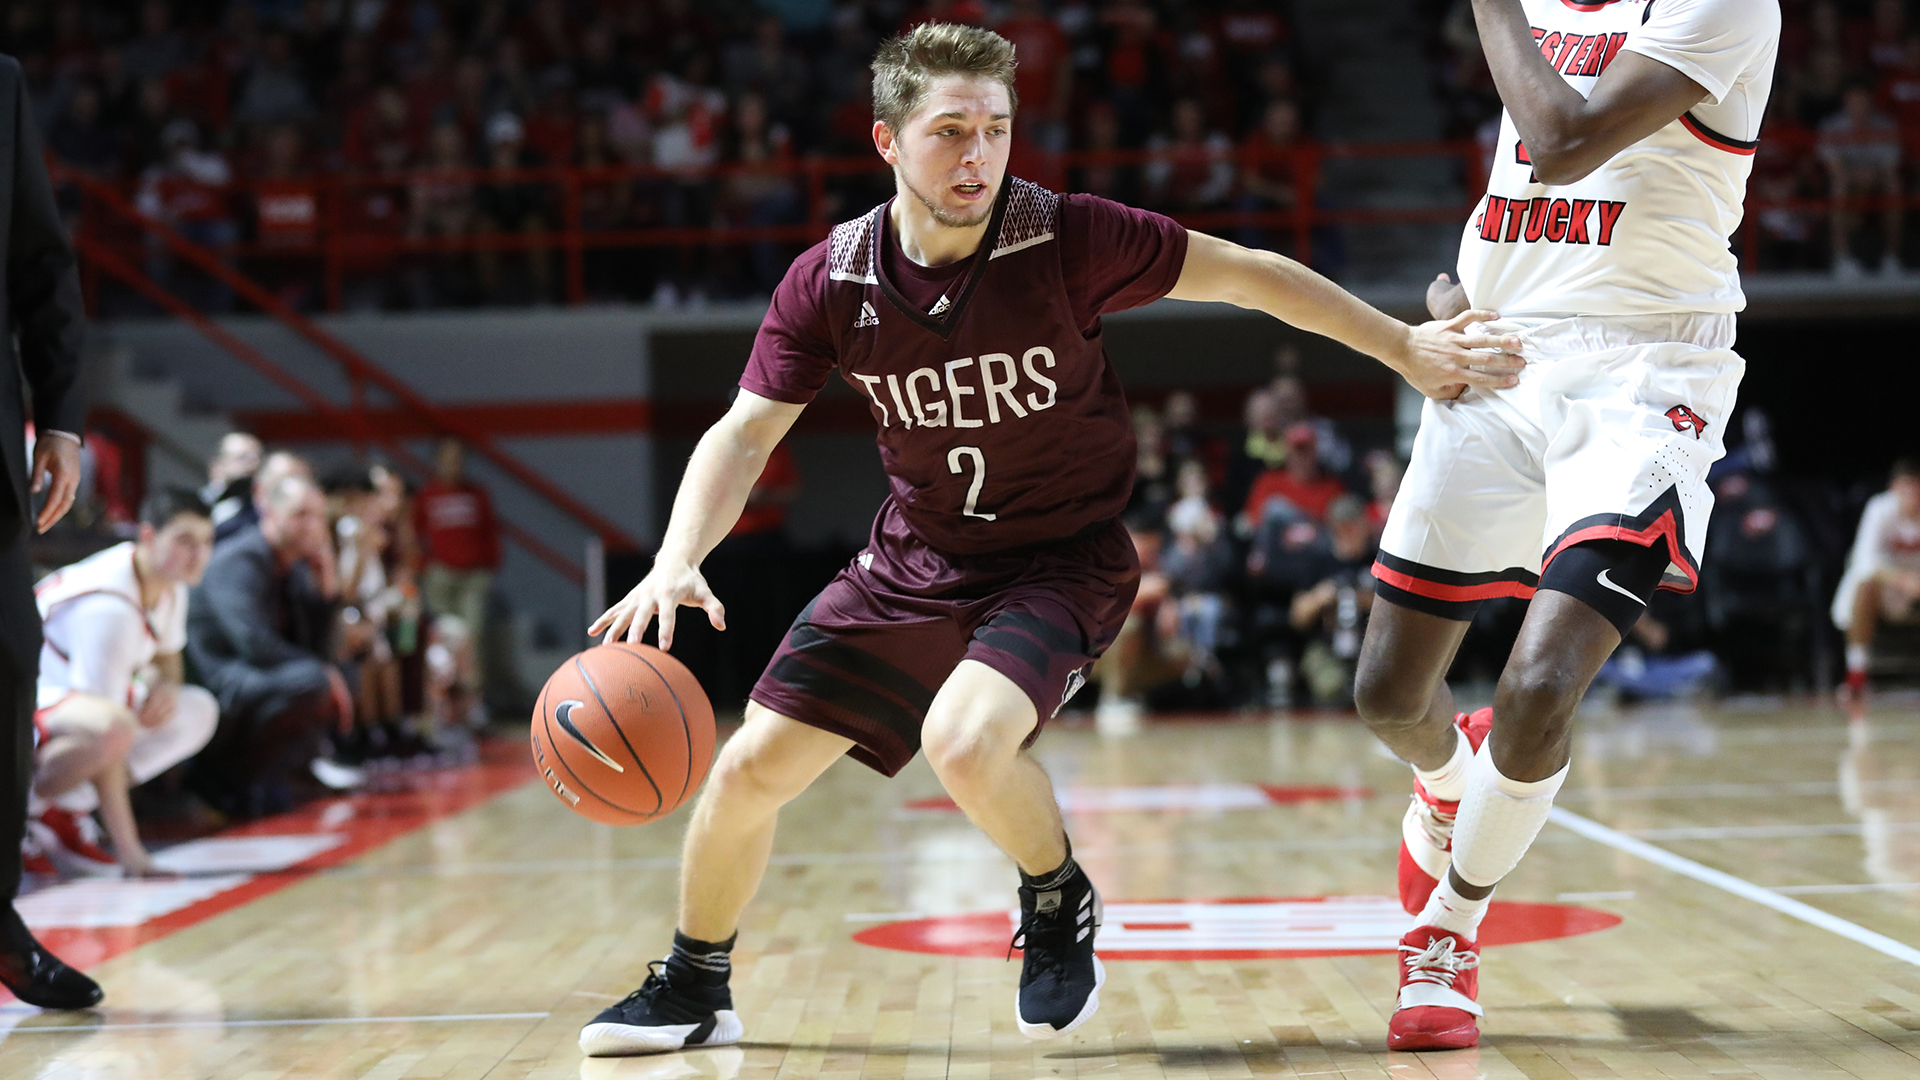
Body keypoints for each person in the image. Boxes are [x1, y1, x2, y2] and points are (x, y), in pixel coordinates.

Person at [582, 22, 1520, 1058]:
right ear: (887, 142)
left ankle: (1056, 894)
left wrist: (1402, 347)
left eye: (996, 129)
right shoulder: (831, 280)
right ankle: (695, 983)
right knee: (748, 769)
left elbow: (1252, 273)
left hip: (1061, 559)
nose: (978, 155)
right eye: (949, 132)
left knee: (965, 741)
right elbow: (746, 429)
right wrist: (677, 558)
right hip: (913, 562)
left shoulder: (1063, 235)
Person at [1354, 0, 1779, 1051]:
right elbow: (1521, 178)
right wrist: (1475, 282)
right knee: (1385, 694)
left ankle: (1446, 933)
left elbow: (1563, 139)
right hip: (1498, 354)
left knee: (1541, 684)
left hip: (1643, 369)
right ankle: (1451, 787)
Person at [0, 51, 104, 1011]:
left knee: (6, 668)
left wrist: (61, 418)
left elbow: (39, 260)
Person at [29, 488, 217, 878]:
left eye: (206, 542)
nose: (198, 555)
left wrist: (165, 684)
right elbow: (108, 734)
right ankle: (25, 813)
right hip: (19, 708)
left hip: (57, 707)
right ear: (148, 536)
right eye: (185, 541)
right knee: (115, 729)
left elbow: (168, 655)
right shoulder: (109, 610)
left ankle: (66, 807)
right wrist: (134, 855)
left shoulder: (169, 582)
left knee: (194, 710)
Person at [187, 473, 361, 817]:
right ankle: (219, 779)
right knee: (313, 681)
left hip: (252, 675)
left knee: (340, 673)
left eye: (318, 517)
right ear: (270, 512)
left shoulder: (291, 565)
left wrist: (326, 593)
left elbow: (315, 647)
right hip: (217, 677)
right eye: (300, 515)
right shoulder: (242, 559)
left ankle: (263, 777)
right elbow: (255, 644)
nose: (312, 526)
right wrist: (325, 675)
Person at [414, 439, 500, 717]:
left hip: (472, 578)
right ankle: (443, 709)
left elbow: (490, 531)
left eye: (458, 458)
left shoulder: (476, 494)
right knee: (441, 641)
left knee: (472, 639)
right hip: (439, 577)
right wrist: (426, 566)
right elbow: (415, 535)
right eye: (447, 458)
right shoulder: (427, 495)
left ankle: (472, 704)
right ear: (437, 461)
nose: (453, 464)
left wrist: (487, 566)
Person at [1832, 458, 1920, 699]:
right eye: (1907, 485)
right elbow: (1865, 559)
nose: (1913, 493)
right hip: (1888, 590)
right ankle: (1857, 674)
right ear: (1894, 487)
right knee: (1864, 586)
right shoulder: (1879, 508)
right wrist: (1903, 580)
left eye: (1917, 486)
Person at [202, 431, 263, 535]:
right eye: (243, 457)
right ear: (217, 467)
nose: (252, 465)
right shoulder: (196, 507)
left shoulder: (260, 510)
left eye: (256, 459)